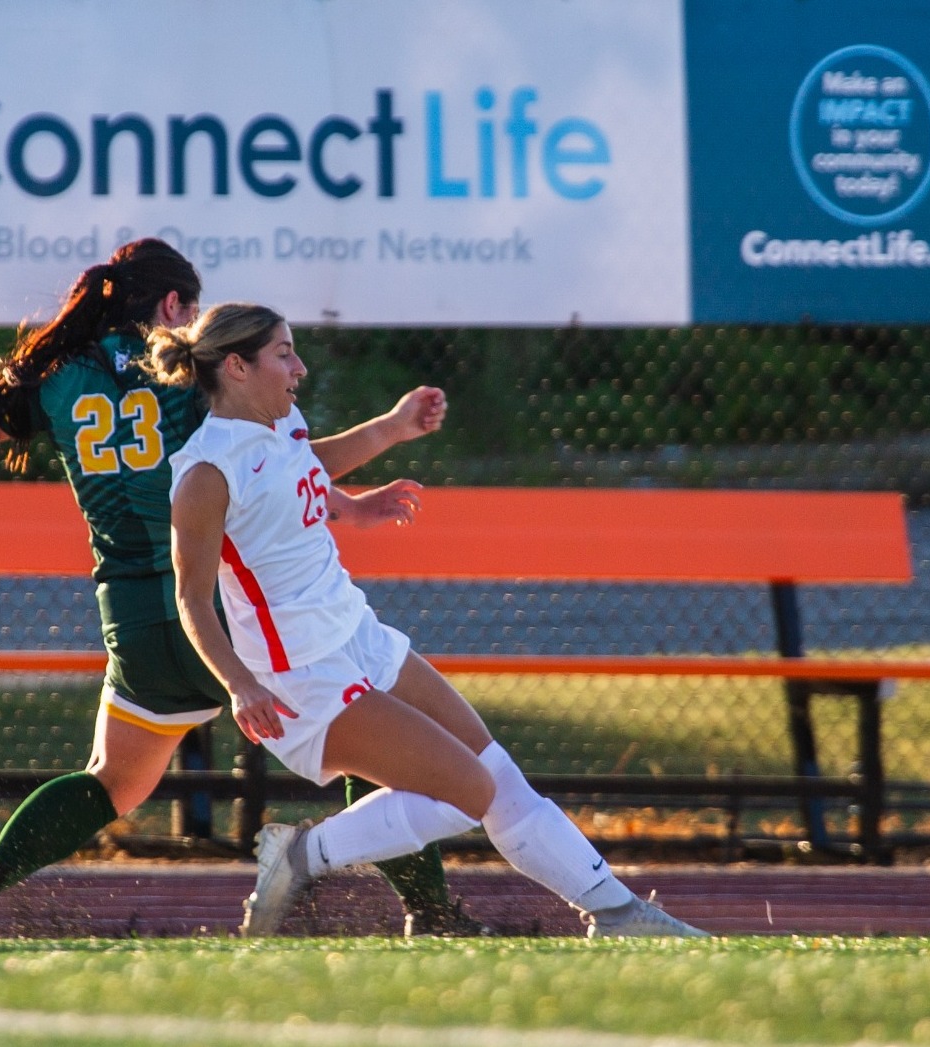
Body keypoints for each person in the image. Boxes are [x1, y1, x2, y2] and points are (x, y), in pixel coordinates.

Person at [0, 238, 483, 939]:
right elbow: (279, 468)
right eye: (189, 308)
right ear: (170, 305)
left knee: (112, 781)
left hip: (136, 620)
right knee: (365, 734)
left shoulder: (59, 371)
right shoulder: (193, 372)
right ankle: (432, 911)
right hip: (222, 606)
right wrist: (360, 486)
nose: (196, 322)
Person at [154, 303, 708, 939]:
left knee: (497, 773)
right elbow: (192, 599)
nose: (299, 367)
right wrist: (238, 684)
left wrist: (374, 465)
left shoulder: (279, 424)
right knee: (468, 794)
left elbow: (301, 469)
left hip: (358, 634)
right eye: (283, 353)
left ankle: (617, 913)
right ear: (236, 367)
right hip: (299, 676)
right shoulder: (203, 472)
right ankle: (300, 856)